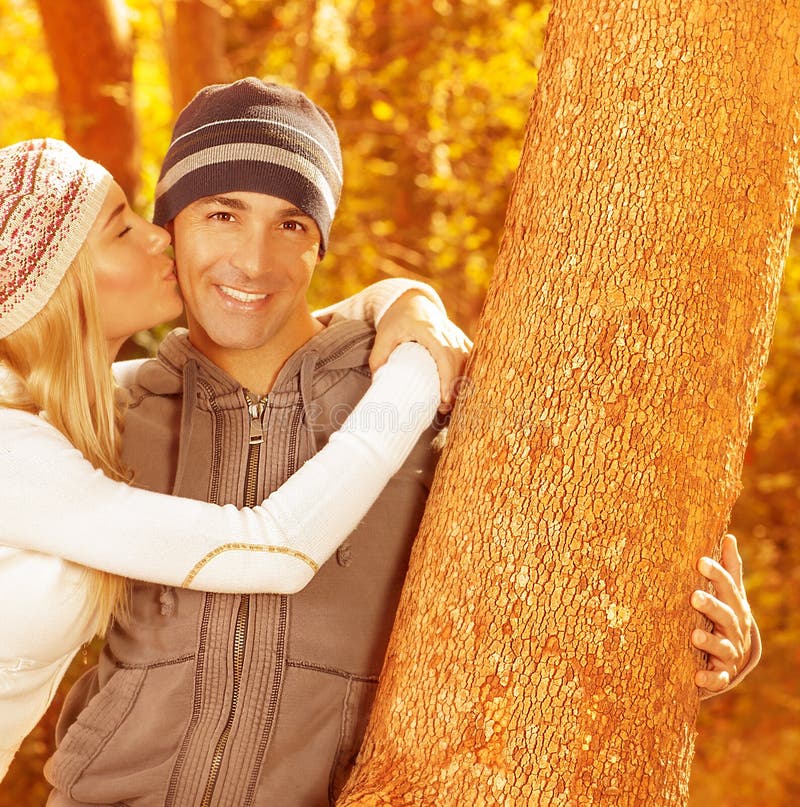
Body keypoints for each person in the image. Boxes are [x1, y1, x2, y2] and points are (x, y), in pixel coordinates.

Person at [46, 79, 760, 806]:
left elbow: (583, 567)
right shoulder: (111, 412)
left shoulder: (417, 399)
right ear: (170, 227)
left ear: (321, 242)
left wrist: (705, 642)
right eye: (222, 215)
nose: (254, 261)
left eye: (292, 224)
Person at [0, 137, 467, 781]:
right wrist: (414, 380)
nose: (157, 238)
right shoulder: (11, 453)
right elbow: (273, 549)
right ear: (56, 285)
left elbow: (273, 347)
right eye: (121, 229)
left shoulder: (50, 415)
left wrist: (397, 300)